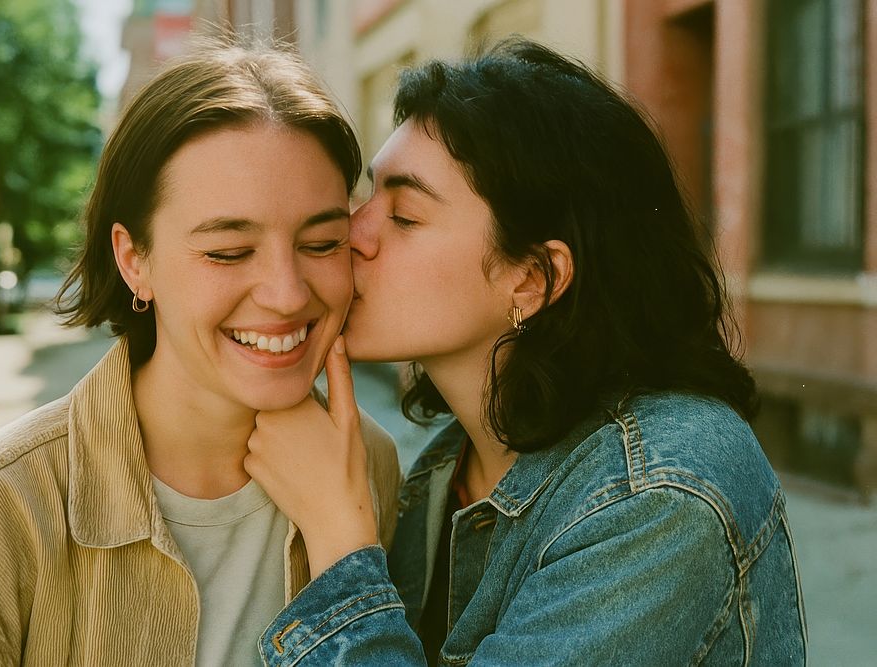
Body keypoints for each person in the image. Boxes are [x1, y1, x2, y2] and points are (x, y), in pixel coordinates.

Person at [245, 37, 807, 665]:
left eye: (402, 216)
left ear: (533, 279)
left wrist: (338, 538)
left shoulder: (660, 496)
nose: (352, 233)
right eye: (367, 197)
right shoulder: (442, 472)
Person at [0, 40, 400, 665]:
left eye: (322, 243)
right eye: (227, 252)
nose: (287, 295)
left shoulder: (370, 465)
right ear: (133, 260)